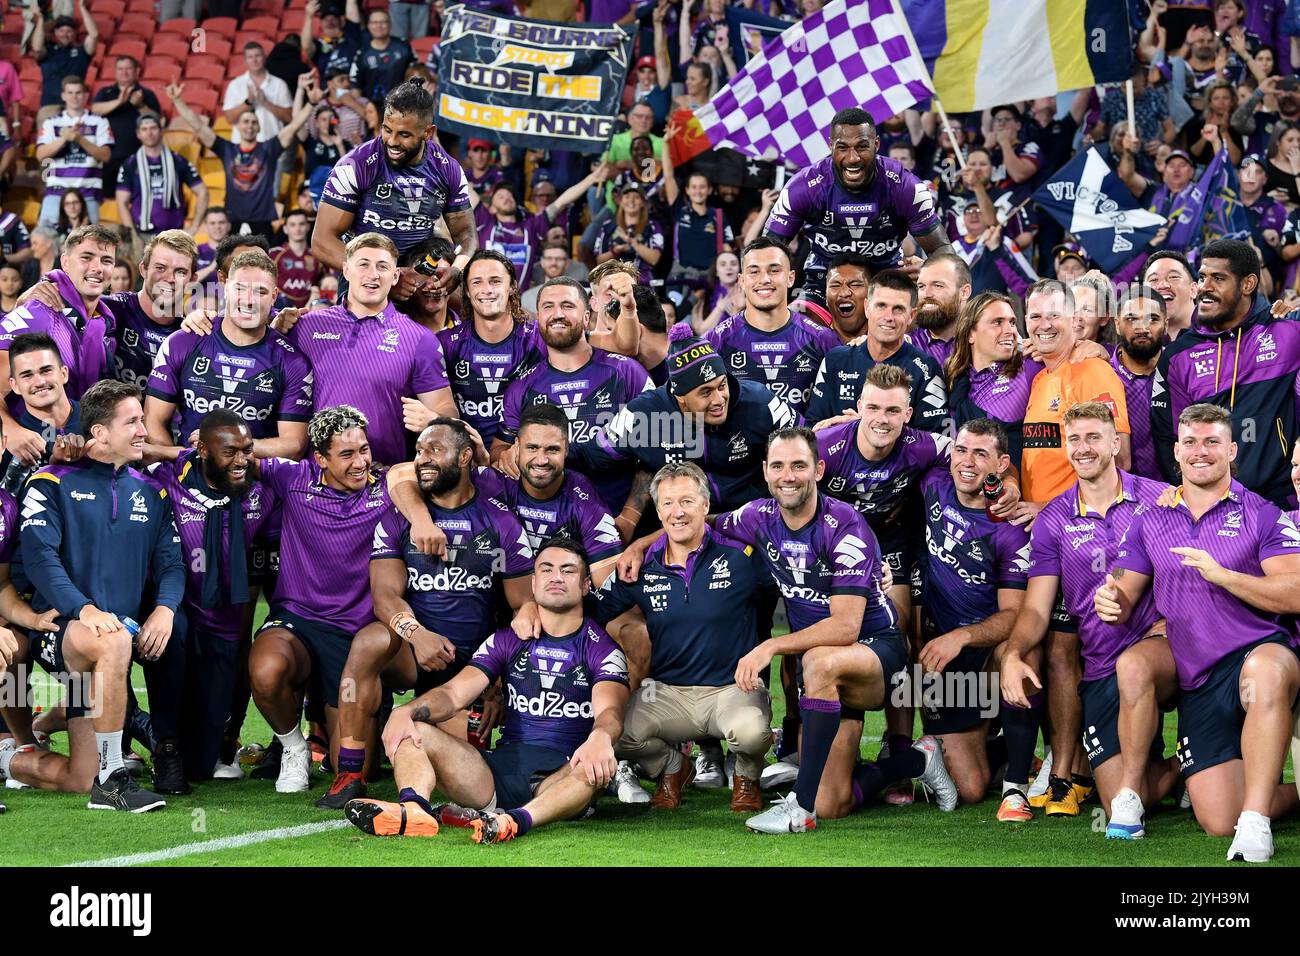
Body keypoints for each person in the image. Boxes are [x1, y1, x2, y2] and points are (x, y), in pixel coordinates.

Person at [716, 427, 956, 832]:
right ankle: (917, 760)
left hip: (878, 655)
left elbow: (846, 627)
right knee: (834, 802)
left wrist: (769, 648)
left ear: (819, 469)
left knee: (816, 660)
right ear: (765, 471)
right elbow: (700, 525)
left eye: (798, 465)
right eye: (778, 466)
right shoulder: (759, 516)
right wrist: (637, 547)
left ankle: (799, 808)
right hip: (825, 677)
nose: (787, 475)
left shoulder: (845, 525)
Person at [1098, 403, 1300, 862]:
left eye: (1212, 442)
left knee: (1266, 671)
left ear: (1231, 450)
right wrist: (1111, 601)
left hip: (1256, 653)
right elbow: (1124, 593)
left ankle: (1256, 822)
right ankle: (1132, 796)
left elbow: (1296, 592)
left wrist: (1227, 577)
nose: (1200, 451)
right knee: (1216, 819)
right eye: (1190, 442)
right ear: (1176, 451)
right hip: (1195, 674)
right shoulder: (1152, 517)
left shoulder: (1262, 513)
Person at [344, 537, 629, 845]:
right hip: (494, 775)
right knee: (411, 727)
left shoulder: (602, 649)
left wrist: (601, 737)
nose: (556, 577)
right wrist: (406, 711)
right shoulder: (506, 639)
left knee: (595, 766)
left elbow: (610, 712)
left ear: (586, 585)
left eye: (568, 570)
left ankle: (515, 822)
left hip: (560, 778)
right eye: (546, 569)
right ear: (533, 583)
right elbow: (454, 694)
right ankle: (415, 809)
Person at [318, 418, 534, 807]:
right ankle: (348, 774)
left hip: (474, 663)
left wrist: (497, 677)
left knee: (464, 767)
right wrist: (417, 635)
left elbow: (523, 608)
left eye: (435, 450)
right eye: (419, 452)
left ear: (465, 457)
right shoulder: (399, 517)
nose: (423, 460)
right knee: (369, 641)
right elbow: (385, 597)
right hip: (415, 652)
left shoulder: (501, 522)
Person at [2, 380, 183, 807]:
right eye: (133, 422)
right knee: (115, 639)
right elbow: (42, 560)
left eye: (142, 419)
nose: (144, 430)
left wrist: (165, 609)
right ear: (99, 433)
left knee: (78, 776)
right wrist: (82, 609)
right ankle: (114, 779)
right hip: (61, 629)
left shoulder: (152, 491)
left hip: (107, 641)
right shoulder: (50, 482)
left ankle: (8, 759)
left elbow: (172, 564)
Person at [1001, 402, 1179, 831]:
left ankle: (1198, 747)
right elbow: (1037, 608)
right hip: (1100, 665)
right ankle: (1186, 764)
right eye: (1075, 439)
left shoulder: (1160, 499)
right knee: (1115, 796)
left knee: (1137, 667)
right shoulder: (1054, 519)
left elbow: (1190, 573)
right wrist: (1013, 653)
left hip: (1163, 652)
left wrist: (1173, 619)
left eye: (1094, 437)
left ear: (1115, 443)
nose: (1083, 448)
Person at [586, 462, 773, 810]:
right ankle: (672, 767)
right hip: (667, 691)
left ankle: (747, 775)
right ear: (657, 512)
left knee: (751, 733)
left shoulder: (742, 557)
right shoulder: (639, 567)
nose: (678, 512)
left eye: (687, 501)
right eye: (668, 503)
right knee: (610, 733)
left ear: (705, 506)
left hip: (730, 688)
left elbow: (797, 584)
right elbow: (592, 612)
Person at [247, 405, 394, 793]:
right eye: (346, 454)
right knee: (265, 669)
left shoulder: (389, 488)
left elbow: (421, 472)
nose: (361, 462)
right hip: (298, 619)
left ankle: (368, 707)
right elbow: (231, 454)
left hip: (353, 637)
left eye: (364, 449)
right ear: (320, 459)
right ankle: (294, 748)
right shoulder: (294, 477)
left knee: (360, 768)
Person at [568, 323, 799, 534]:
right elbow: (590, 454)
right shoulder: (643, 415)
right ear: (680, 397)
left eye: (722, 385)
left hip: (751, 523)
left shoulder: (760, 403)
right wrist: (547, 452)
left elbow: (806, 440)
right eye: (706, 392)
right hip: (676, 528)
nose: (719, 399)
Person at [146, 411, 277, 781]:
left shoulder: (263, 493)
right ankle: (164, 744)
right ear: (202, 449)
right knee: (169, 639)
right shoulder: (166, 480)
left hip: (223, 621)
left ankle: (157, 731)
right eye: (230, 451)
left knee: (201, 767)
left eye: (247, 451)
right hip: (177, 610)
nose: (241, 461)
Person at [910, 418, 1032, 807]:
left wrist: (962, 636)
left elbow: (1014, 615)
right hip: (939, 655)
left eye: (981, 454)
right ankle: (997, 749)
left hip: (979, 647)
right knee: (971, 788)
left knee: (1025, 653)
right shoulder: (933, 484)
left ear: (1001, 464)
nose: (967, 462)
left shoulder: (1010, 529)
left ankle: (1020, 770)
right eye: (961, 450)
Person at [280, 233, 455, 466]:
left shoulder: (420, 339)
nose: (372, 275)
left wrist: (433, 420)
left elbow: (447, 410)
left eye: (382, 267)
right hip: (318, 477)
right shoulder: (306, 326)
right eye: (363, 264)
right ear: (346, 270)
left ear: (395, 277)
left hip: (384, 480)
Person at [1153, 238, 1300, 508]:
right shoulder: (1177, 357)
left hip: (1283, 501)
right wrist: (1191, 496)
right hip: (1213, 503)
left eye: (1218, 278)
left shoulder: (1287, 331)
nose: (1204, 287)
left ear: (1248, 284)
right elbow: (1169, 439)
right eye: (1202, 277)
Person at [763, 107, 953, 305]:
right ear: (831, 146)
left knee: (925, 319)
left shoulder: (905, 186)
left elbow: (942, 249)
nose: (852, 158)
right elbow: (765, 251)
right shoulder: (803, 187)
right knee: (797, 330)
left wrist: (929, 272)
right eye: (842, 147)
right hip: (823, 287)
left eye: (862, 147)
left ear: (876, 144)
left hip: (886, 284)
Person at [492, 277, 651, 513]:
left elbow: (658, 451)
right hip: (546, 526)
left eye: (567, 306)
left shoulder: (627, 372)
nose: (557, 314)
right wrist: (504, 457)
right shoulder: (521, 387)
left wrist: (629, 518)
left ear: (587, 317)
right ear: (539, 318)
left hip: (620, 517)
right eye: (548, 307)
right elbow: (499, 450)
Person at [145, 250, 313, 462]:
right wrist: (179, 471)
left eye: (260, 291)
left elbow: (294, 445)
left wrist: (230, 444)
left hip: (252, 483)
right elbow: (154, 420)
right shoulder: (182, 341)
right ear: (224, 288)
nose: (248, 300)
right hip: (186, 476)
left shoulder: (293, 361)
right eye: (240, 288)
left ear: (273, 296)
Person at [315, 79, 477, 298]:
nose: (391, 141)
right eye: (387, 129)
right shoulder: (355, 165)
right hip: (366, 281)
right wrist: (388, 278)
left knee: (470, 304)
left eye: (404, 134)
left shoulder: (449, 170)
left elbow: (466, 233)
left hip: (419, 276)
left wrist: (458, 269)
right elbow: (321, 242)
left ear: (428, 133)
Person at [1013, 279, 1131, 514]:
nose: (1044, 325)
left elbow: (1119, 461)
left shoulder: (1093, 371)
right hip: (1044, 528)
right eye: (1035, 316)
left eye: (1054, 315)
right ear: (1025, 321)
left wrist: (1050, 510)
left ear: (1074, 320)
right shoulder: (1040, 378)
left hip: (1081, 528)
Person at [0, 225, 118, 457]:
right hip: (29, 459)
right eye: (86, 257)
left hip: (78, 457)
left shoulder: (104, 321)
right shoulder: (37, 313)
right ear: (64, 262)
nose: (97, 268)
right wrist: (11, 431)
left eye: (106, 260)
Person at [705, 238, 840, 417]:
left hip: (805, 443)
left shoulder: (823, 339)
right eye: (754, 272)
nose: (765, 279)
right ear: (742, 281)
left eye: (774, 270)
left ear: (791, 278)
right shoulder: (714, 341)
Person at [167, 80, 315, 241]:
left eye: (254, 122)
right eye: (245, 121)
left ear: (258, 128)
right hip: (233, 219)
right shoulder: (227, 149)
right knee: (229, 264)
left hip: (262, 219)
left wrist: (312, 103)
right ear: (237, 126)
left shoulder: (269, 149)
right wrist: (177, 101)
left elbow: (294, 127)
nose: (249, 125)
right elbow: (198, 127)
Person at [805, 268, 948, 431]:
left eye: (898, 309)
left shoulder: (926, 370)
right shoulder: (835, 361)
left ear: (911, 315)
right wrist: (847, 433)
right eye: (881, 306)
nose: (888, 317)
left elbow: (936, 442)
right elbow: (813, 428)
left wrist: (867, 426)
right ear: (867, 307)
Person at [437, 250, 544, 446]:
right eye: (477, 282)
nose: (486, 290)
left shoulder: (540, 338)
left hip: (520, 458)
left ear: (512, 287)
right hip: (464, 458)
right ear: (467, 292)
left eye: (495, 281)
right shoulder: (445, 343)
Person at [475, 166, 606, 291]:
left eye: (510, 196)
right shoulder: (485, 223)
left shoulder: (531, 227)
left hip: (518, 304)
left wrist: (592, 178)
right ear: (491, 208)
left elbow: (561, 202)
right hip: (488, 298)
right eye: (501, 196)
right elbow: (462, 187)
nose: (507, 198)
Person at [0, 333, 85, 495]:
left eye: (46, 371)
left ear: (64, 374)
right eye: (27, 375)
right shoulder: (10, 445)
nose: (39, 382)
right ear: (15, 385)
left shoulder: (97, 421)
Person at [35, 77, 113, 228]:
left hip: (88, 193)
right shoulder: (51, 122)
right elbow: (40, 155)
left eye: (78, 92)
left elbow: (106, 155)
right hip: (56, 191)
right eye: (70, 92)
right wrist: (64, 139)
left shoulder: (99, 122)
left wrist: (80, 139)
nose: (74, 97)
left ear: (86, 95)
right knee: (45, 239)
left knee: (88, 244)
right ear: (63, 95)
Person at [114, 115, 207, 241]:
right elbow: (121, 202)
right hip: (141, 235)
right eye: (144, 129)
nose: (149, 133)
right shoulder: (130, 164)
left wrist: (194, 227)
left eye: (153, 128)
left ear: (161, 131)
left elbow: (202, 192)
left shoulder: (178, 161)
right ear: (138, 134)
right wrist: (132, 235)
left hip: (174, 236)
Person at [1111, 286, 1169, 481]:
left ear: (1166, 325)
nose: (1142, 328)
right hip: (1120, 499)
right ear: (1117, 324)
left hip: (1180, 494)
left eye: (1152, 319)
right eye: (1132, 319)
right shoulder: (1100, 375)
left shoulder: (1181, 369)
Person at [90, 55, 162, 191]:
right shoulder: (106, 92)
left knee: (137, 196)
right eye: (120, 69)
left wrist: (140, 105)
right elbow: (95, 110)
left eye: (128, 69)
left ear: (137, 71)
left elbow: (155, 119)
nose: (124, 72)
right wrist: (118, 102)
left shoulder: (147, 94)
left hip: (138, 156)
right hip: (109, 156)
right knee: (108, 199)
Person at [222, 43, 295, 144]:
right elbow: (229, 118)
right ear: (245, 61)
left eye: (258, 56)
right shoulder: (235, 85)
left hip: (273, 146)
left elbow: (289, 117)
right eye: (250, 57)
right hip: (242, 147)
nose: (254, 60)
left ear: (264, 58)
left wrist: (266, 103)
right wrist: (247, 103)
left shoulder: (279, 84)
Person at [911, 253, 973, 368]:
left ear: (964, 292)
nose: (927, 294)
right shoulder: (906, 345)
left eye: (938, 286)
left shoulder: (987, 341)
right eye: (921, 286)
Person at [31, 5, 99, 110]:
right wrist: (40, 21)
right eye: (61, 31)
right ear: (56, 33)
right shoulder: (49, 50)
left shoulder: (82, 52)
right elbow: (36, 48)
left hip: (75, 107)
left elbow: (94, 35)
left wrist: (81, 7)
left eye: (69, 31)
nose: (65, 34)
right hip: (50, 106)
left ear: (75, 33)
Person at [350, 8, 413, 106]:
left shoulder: (404, 47)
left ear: (390, 25)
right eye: (374, 22)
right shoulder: (362, 53)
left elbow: (418, 71)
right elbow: (355, 88)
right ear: (369, 26)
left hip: (401, 105)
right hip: (371, 107)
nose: (379, 26)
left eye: (383, 22)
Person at [270, 210, 326, 310]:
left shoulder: (318, 256)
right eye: (292, 225)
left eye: (301, 224)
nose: (297, 229)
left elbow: (326, 282)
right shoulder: (274, 254)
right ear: (285, 228)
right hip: (278, 309)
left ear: (308, 227)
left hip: (308, 310)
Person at [1142, 249, 1198, 340]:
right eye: (1153, 279)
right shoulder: (1133, 342)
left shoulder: (1220, 333)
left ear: (1193, 290)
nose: (1162, 285)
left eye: (1173, 277)